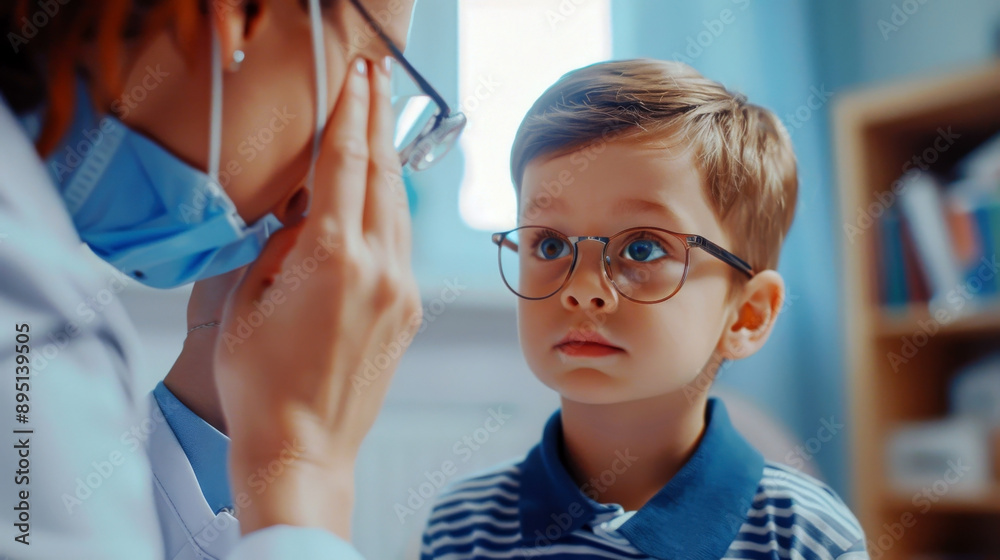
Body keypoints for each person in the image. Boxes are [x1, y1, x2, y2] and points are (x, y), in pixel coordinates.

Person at [0, 0, 464, 557]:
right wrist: (303, 472)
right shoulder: (26, 317)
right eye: (361, 80)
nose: (310, 194)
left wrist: (215, 386)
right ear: (240, 14)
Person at [418, 59, 870, 559]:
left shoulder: (806, 534)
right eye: (549, 246)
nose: (582, 290)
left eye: (643, 249)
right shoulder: (464, 525)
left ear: (747, 314)